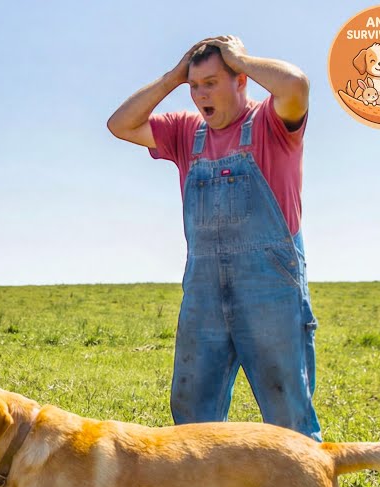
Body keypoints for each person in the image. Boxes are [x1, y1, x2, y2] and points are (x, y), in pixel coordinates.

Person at [107, 36, 321, 441]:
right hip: (203, 292)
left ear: (240, 81)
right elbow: (121, 125)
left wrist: (241, 58)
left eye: (211, 83)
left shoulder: (271, 123)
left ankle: (303, 480)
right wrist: (172, 78)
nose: (201, 94)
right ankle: (201, 483)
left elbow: (296, 85)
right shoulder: (186, 132)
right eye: (194, 86)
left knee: (288, 415)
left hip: (269, 290)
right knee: (191, 414)